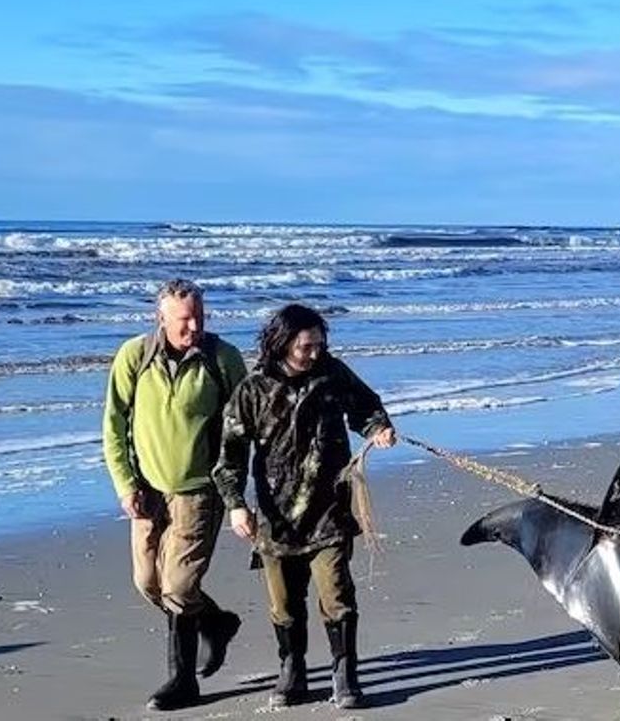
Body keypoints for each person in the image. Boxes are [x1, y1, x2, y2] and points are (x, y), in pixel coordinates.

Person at [214, 304, 397, 709]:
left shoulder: (332, 374)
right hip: (276, 517)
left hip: (329, 508)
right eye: (306, 346)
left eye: (320, 344)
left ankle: (345, 675)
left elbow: (366, 406)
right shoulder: (253, 389)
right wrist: (236, 506)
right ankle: (292, 671)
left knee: (336, 593)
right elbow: (230, 454)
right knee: (283, 603)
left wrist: (378, 428)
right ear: (282, 344)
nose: (315, 353)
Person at [100, 277, 248, 711]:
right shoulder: (134, 356)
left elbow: (243, 428)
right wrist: (125, 484)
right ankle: (217, 623)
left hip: (200, 491)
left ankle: (182, 681)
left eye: (200, 317)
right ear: (160, 318)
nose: (193, 326)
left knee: (179, 587)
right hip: (147, 492)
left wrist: (235, 490)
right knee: (148, 583)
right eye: (184, 319)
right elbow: (113, 425)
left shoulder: (223, 359)